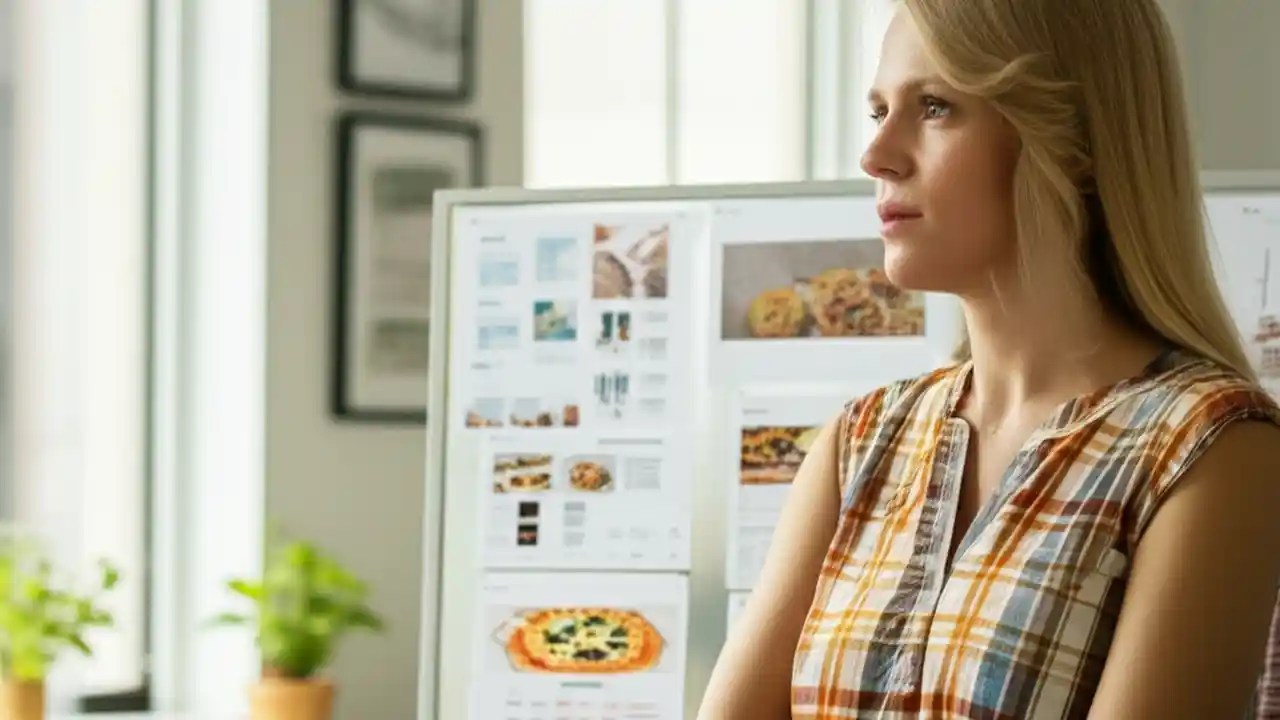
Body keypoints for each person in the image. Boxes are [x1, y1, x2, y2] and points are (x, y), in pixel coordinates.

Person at [698, 1, 1280, 718]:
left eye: (935, 106)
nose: (876, 155)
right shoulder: (862, 441)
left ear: (1076, 142)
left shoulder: (1213, 448)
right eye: (878, 109)